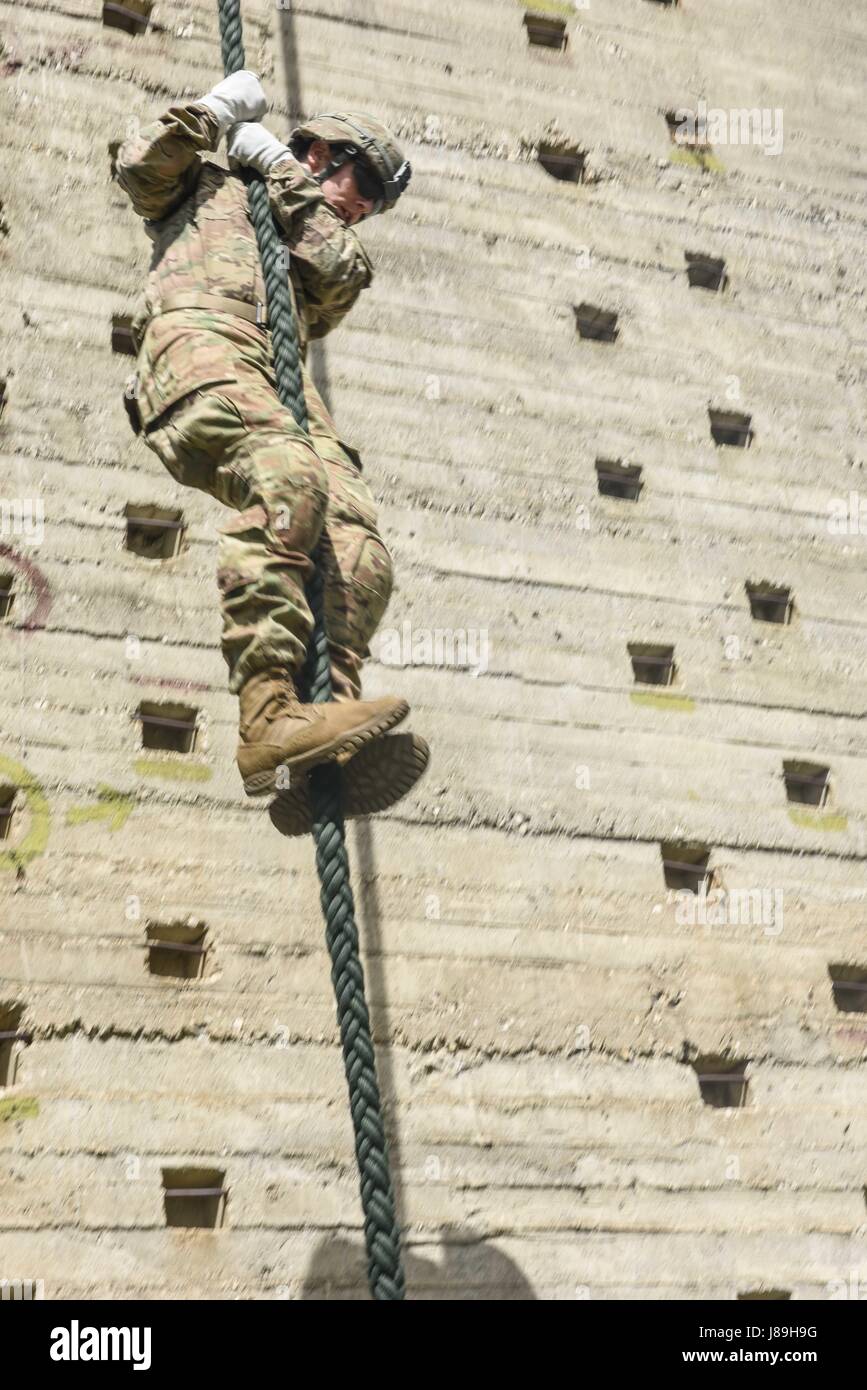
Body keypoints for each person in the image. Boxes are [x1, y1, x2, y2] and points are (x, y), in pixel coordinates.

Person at [115, 71, 428, 830]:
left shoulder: (312, 237)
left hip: (275, 379)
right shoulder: (208, 187)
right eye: (365, 182)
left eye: (378, 201)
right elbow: (139, 165)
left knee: (358, 548)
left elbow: (340, 269)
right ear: (323, 150)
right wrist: (216, 116)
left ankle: (331, 718)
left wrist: (282, 173)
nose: (364, 206)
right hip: (200, 343)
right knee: (286, 474)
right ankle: (266, 718)